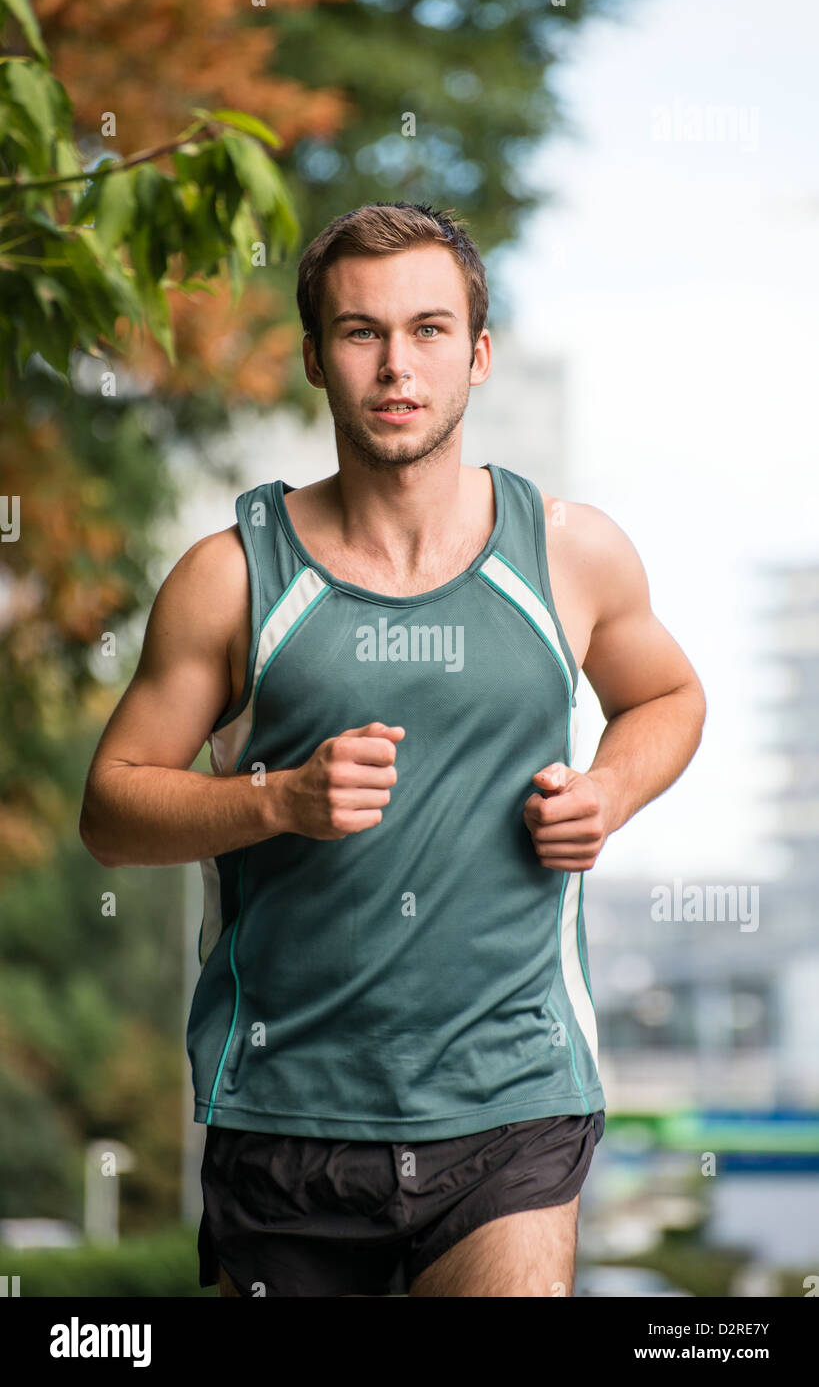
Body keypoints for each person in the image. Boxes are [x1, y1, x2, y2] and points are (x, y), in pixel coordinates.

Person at [79, 201, 706, 1297]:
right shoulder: (232, 575)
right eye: (361, 332)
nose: (396, 365)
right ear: (318, 358)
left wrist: (608, 789)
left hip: (511, 1097)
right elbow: (112, 811)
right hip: (287, 1109)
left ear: (477, 354)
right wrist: (276, 799)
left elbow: (669, 695)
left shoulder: (572, 553)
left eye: (427, 330)